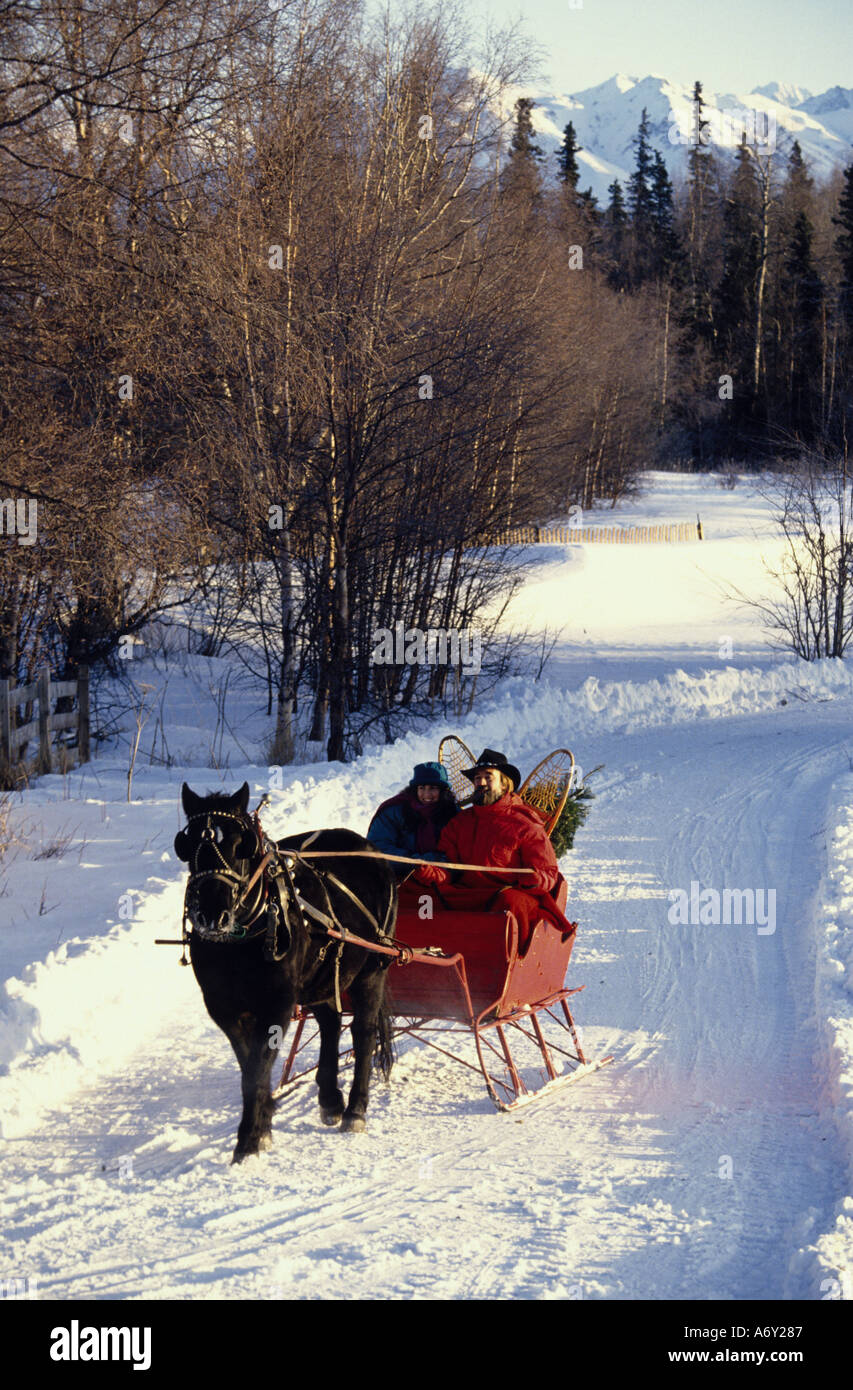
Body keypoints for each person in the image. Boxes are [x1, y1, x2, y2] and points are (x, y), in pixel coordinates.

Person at [416, 748, 575, 950]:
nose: (480, 782)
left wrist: (534, 879)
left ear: (504, 783)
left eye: (488, 777)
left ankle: (501, 961)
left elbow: (549, 874)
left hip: (504, 896)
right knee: (420, 895)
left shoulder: (525, 824)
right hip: (465, 895)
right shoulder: (459, 823)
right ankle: (420, 952)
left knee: (510, 902)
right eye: (477, 778)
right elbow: (448, 866)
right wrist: (433, 873)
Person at [367, 763, 459, 897]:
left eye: (433, 788)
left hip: (439, 879)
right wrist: (417, 862)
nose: (426, 794)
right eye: (422, 788)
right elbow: (378, 849)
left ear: (443, 791)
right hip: (397, 880)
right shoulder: (393, 810)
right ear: (414, 789)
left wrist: (435, 869)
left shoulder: (454, 815)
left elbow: (459, 854)